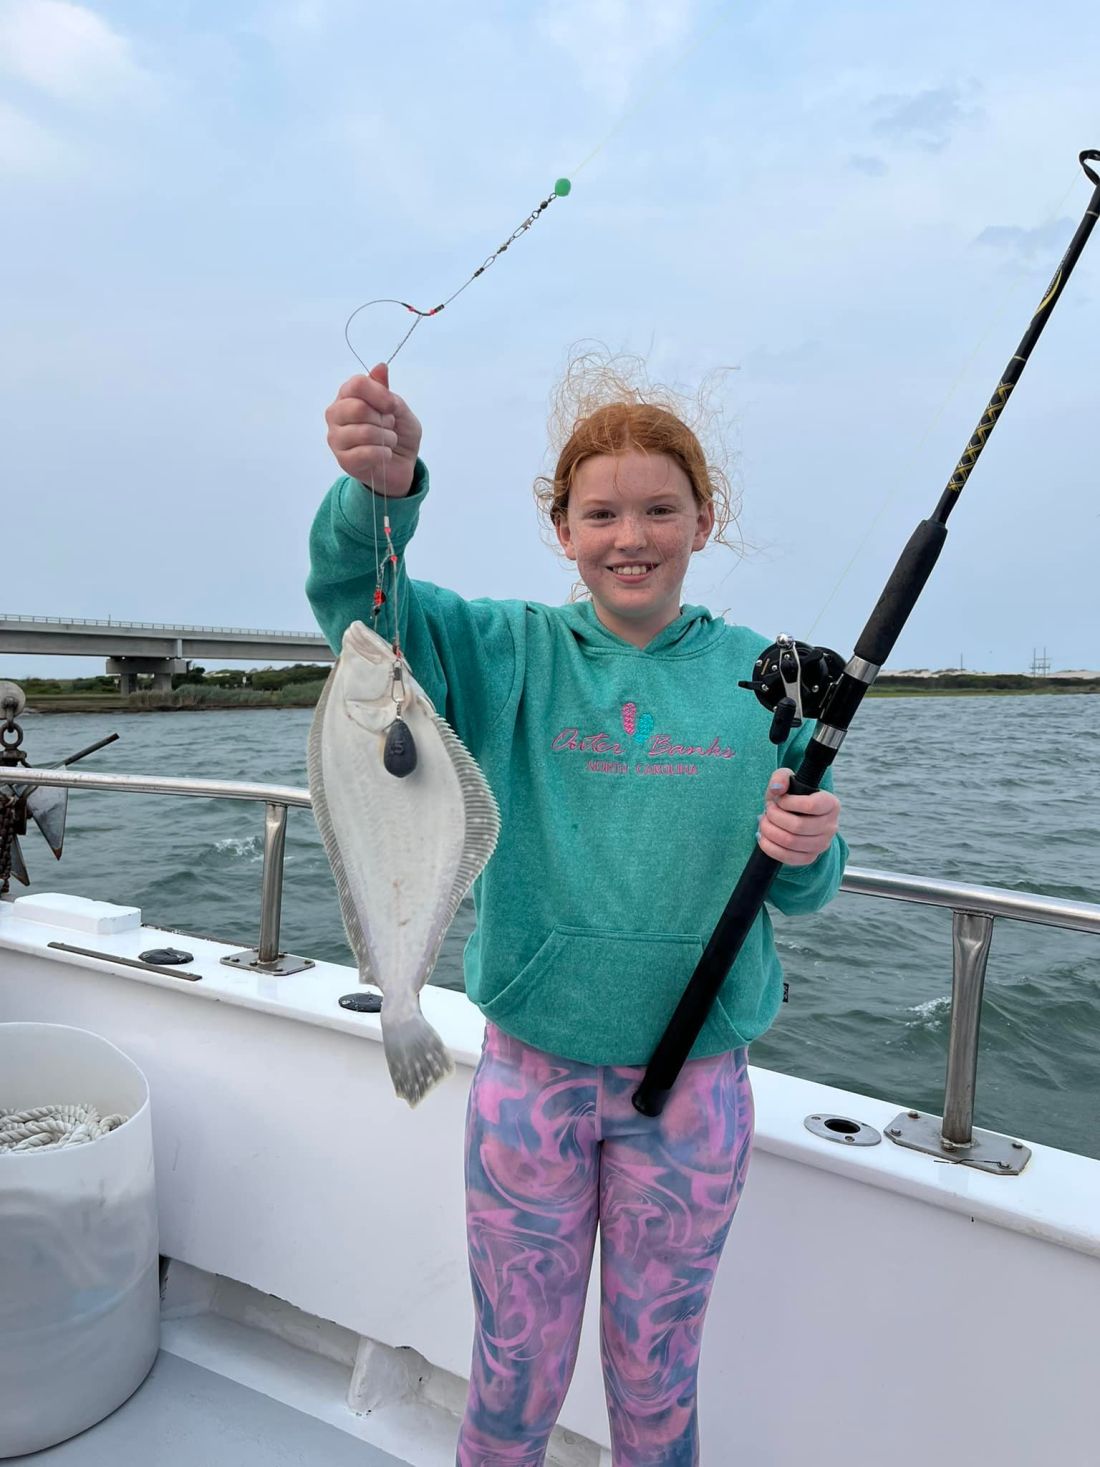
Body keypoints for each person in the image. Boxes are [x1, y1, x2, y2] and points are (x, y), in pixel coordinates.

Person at [307, 357, 846, 1467]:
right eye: (598, 512)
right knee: (511, 1370)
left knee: (656, 1379)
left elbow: (799, 882)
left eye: (658, 508)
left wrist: (808, 848)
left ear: (706, 517)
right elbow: (358, 603)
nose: (629, 536)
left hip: (694, 1088)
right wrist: (379, 493)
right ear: (560, 530)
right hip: (529, 1075)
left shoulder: (767, 675)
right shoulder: (504, 651)